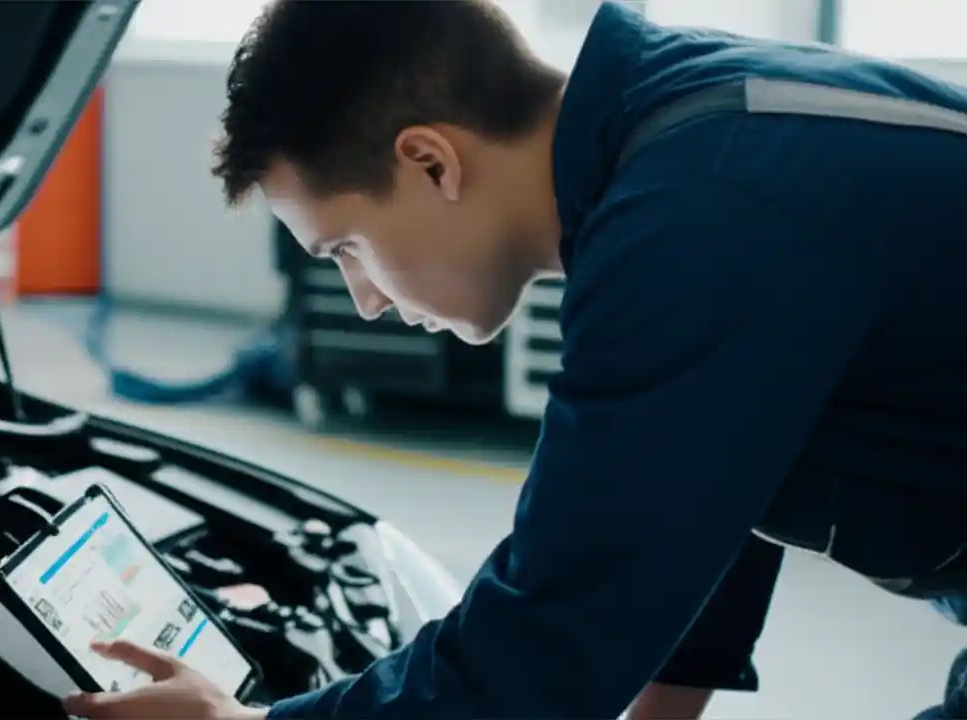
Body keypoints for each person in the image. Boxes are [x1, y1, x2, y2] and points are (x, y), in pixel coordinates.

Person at [62, 1, 967, 718]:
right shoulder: (684, 134)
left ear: (430, 163)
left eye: (345, 249)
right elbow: (705, 500)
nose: (367, 301)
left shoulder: (693, 227)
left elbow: (542, 647)